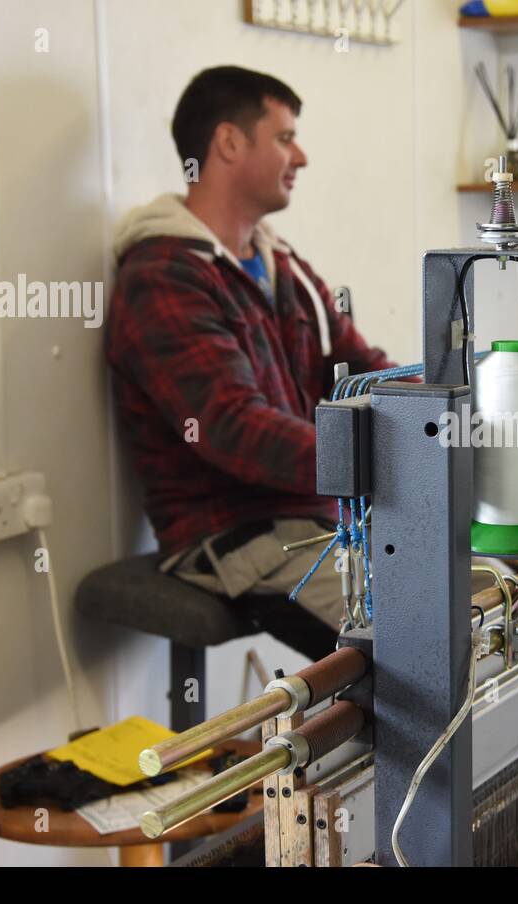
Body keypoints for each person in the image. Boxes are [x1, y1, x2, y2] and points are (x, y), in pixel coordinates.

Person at [106, 66, 392, 656]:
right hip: (238, 534)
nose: (302, 156)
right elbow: (232, 427)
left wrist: (471, 413)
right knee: (428, 647)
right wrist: (392, 453)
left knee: (496, 594)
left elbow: (365, 369)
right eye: (285, 137)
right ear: (230, 143)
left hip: (318, 520)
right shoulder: (163, 276)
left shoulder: (282, 265)